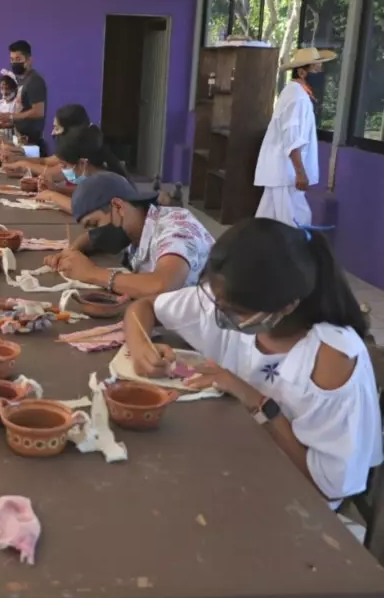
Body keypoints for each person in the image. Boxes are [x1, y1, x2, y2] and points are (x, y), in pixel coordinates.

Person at [125, 218, 381, 508]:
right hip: (236, 459)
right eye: (218, 303)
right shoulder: (228, 297)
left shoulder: (330, 357)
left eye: (234, 311)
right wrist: (140, 349)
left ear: (286, 307)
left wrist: (252, 398)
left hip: (294, 503)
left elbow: (329, 487)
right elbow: (142, 307)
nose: (219, 315)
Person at [47, 172, 215, 299]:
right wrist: (73, 251)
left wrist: (92, 273)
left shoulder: (177, 230)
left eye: (94, 223)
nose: (95, 231)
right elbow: (93, 238)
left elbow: (162, 286)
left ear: (118, 206)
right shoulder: (135, 223)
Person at [255, 47, 335, 227]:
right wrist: (300, 172)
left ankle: (257, 252)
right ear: (302, 72)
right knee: (292, 224)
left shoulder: (296, 93)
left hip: (283, 172)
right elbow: (292, 138)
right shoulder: (297, 96)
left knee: (269, 222)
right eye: (316, 68)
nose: (320, 73)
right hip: (286, 173)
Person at [2, 103, 90, 176]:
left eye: (57, 128)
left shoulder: (82, 156)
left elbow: (51, 173)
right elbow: (46, 161)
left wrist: (22, 164)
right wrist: (16, 159)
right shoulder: (73, 147)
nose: (52, 133)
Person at [0, 40, 48, 156]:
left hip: (32, 143)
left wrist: (12, 116)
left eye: (18, 59)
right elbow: (24, 110)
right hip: (21, 138)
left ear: (29, 60)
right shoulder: (21, 80)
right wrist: (8, 122)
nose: (14, 63)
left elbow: (38, 112)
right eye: (12, 59)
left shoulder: (35, 81)